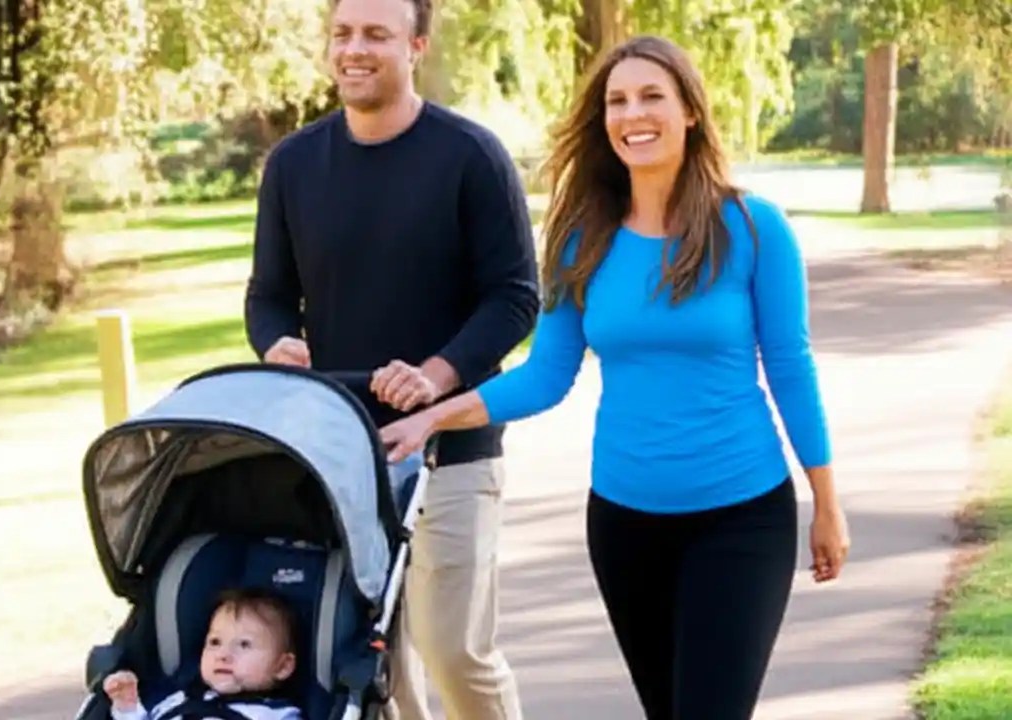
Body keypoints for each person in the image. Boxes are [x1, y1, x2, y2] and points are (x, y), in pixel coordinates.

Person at [378, 35, 852, 720]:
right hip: (626, 525)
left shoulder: (752, 228)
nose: (634, 114)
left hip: (742, 518)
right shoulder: (583, 237)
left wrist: (827, 505)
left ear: (690, 110)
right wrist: (432, 415)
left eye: (652, 96)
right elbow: (546, 376)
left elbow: (791, 368)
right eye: (618, 101)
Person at [242, 0, 540, 716]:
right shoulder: (293, 164)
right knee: (372, 659)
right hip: (338, 452)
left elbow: (514, 297)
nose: (355, 49)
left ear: (416, 45)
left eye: (376, 34)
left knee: (451, 649)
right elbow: (269, 296)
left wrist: (434, 378)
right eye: (342, 34)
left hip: (451, 448)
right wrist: (274, 341)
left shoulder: (469, 156)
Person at [103, 588, 304, 720]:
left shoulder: (278, 715)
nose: (224, 655)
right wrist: (128, 707)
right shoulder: (178, 699)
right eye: (215, 642)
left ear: (282, 666)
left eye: (244, 645)